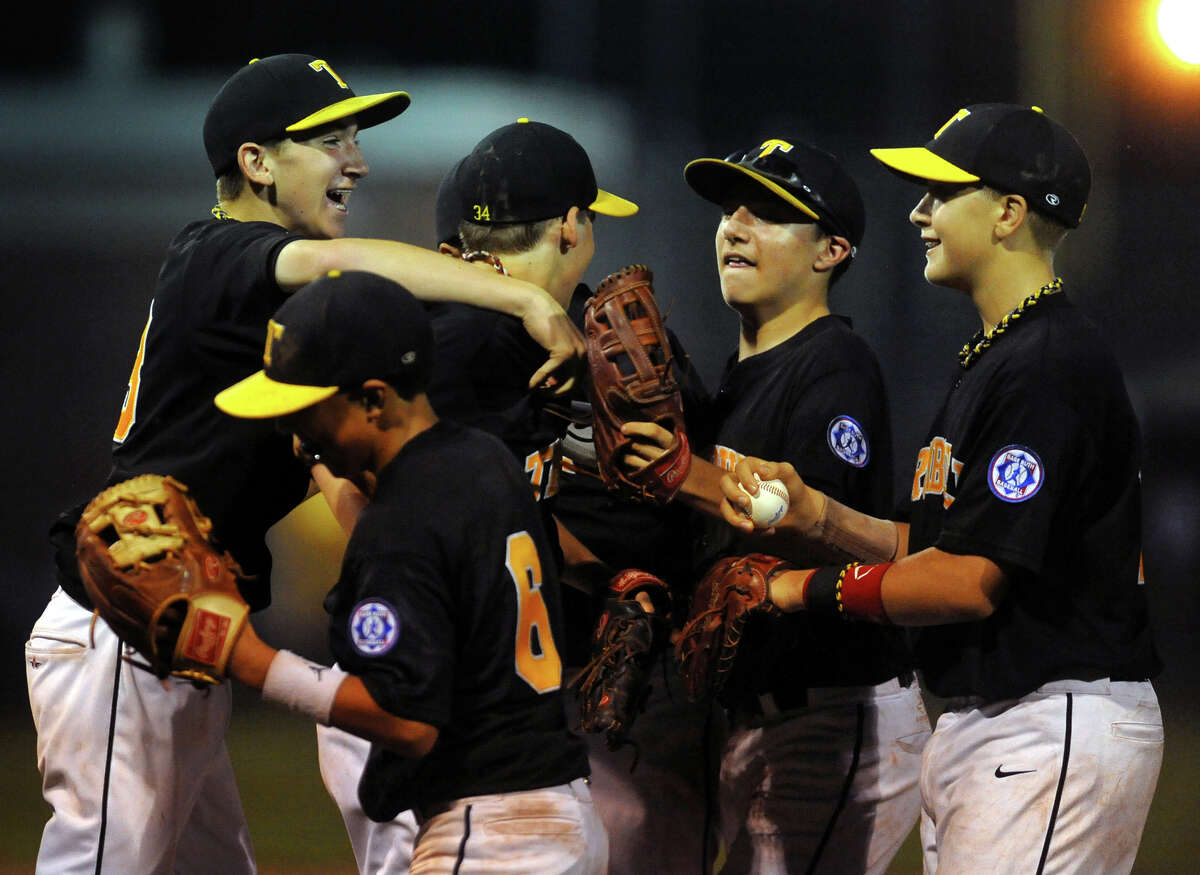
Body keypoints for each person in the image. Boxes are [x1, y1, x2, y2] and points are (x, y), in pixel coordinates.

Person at [24, 53, 583, 874]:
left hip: (179, 629)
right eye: (330, 141)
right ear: (255, 162)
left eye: (355, 139)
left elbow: (368, 354)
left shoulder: (286, 313)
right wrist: (523, 295)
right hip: (123, 622)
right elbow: (339, 269)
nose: (355, 161)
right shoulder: (218, 250)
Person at [720, 104, 1164, 873]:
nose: (919, 212)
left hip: (1049, 715)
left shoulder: (1046, 364)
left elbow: (965, 581)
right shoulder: (1001, 353)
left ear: (1008, 213)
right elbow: (930, 545)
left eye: (942, 193)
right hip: (1005, 720)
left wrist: (798, 589)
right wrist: (820, 514)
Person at [312, 117, 640, 874]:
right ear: (572, 227)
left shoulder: (504, 339)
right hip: (415, 682)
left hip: (452, 694)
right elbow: (398, 508)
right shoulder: (468, 342)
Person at [215, 269, 608, 872]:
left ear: (375, 399)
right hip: (559, 811)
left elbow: (407, 720)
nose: (291, 434)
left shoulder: (401, 520)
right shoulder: (484, 460)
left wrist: (248, 659)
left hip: (493, 838)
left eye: (305, 411)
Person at [623, 137, 929, 873]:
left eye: (768, 213)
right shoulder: (737, 379)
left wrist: (684, 473)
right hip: (759, 717)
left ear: (831, 251)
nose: (735, 225)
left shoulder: (833, 364)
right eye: (730, 210)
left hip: (835, 712)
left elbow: (806, 521)